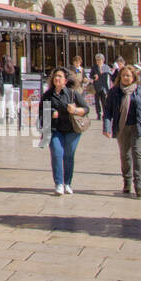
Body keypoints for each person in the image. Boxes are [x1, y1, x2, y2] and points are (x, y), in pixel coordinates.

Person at [102, 64, 141, 198]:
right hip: (123, 127)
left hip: (139, 127)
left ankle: (139, 184)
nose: (125, 78)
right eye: (123, 75)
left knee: (138, 155)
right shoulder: (114, 92)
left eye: (128, 75)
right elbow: (107, 111)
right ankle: (127, 181)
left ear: (133, 77)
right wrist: (107, 127)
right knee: (125, 156)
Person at [39, 67, 89, 196]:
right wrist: (50, 113)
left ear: (65, 80)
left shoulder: (72, 94)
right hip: (55, 130)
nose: (57, 78)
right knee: (57, 154)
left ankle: (67, 183)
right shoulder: (47, 95)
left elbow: (86, 109)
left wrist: (75, 111)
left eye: (60, 76)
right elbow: (42, 113)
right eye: (55, 76)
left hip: (72, 130)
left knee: (68, 156)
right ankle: (59, 184)